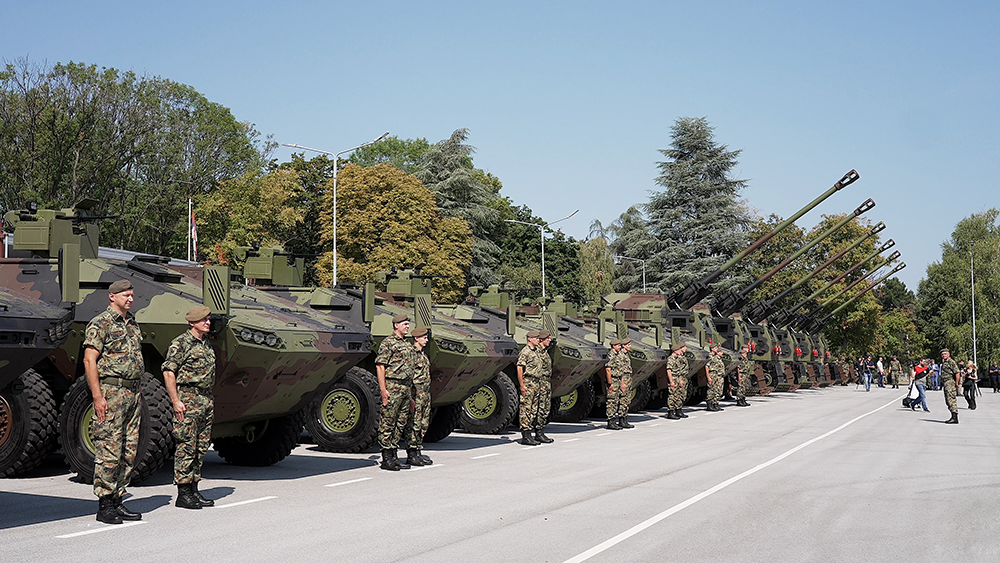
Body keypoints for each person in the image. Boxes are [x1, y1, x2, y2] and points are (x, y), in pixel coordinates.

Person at [83, 279, 144, 525]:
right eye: (126, 295)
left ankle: (118, 499)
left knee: (128, 450)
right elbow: (89, 361)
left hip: (132, 394)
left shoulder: (132, 323)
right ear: (112, 297)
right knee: (109, 449)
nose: (130, 299)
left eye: (132, 295)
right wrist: (98, 397)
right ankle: (105, 504)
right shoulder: (101, 323)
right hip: (111, 392)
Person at [162, 305, 216, 509]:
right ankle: (183, 493)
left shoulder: (205, 344)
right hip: (188, 398)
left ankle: (194, 488)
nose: (208, 322)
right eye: (203, 320)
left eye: (208, 319)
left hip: (205, 400)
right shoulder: (181, 343)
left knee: (201, 447)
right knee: (186, 445)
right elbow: (169, 372)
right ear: (192, 322)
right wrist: (176, 401)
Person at [376, 314, 415, 470]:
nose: (407, 326)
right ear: (396, 325)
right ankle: (386, 457)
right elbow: (380, 366)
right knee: (388, 422)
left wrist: (410, 395)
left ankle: (394, 455)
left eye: (408, 324)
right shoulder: (388, 343)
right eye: (404, 324)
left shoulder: (407, 344)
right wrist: (383, 389)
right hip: (393, 386)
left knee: (400, 423)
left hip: (405, 388)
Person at [398, 326, 433, 466]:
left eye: (426, 337)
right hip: (415, 394)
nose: (426, 340)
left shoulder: (423, 355)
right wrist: (410, 398)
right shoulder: (411, 355)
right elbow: (407, 376)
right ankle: (411, 454)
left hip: (425, 394)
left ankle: (418, 450)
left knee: (423, 424)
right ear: (416, 338)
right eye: (424, 338)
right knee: (414, 424)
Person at [517, 331, 545, 445]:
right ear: (530, 339)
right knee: (526, 409)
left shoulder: (536, 352)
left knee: (533, 410)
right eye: (536, 338)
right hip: (528, 383)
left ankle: (530, 434)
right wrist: (522, 385)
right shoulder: (525, 352)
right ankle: (525, 435)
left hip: (536, 383)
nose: (538, 340)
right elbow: (519, 368)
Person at [605, 339, 634, 430]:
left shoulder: (618, 354)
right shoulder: (612, 355)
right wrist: (610, 383)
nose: (619, 346)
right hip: (613, 380)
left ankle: (622, 420)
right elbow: (608, 370)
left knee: (618, 400)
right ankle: (611, 421)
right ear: (613, 346)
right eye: (618, 345)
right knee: (612, 401)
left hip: (618, 379)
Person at [534, 330, 555, 442]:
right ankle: (538, 432)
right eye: (548, 338)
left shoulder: (545, 352)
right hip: (539, 384)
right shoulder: (536, 352)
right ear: (542, 339)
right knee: (539, 408)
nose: (550, 340)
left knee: (545, 408)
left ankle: (540, 431)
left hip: (546, 383)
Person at [665, 342, 689, 420]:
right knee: (672, 395)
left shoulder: (677, 358)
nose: (680, 351)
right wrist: (671, 381)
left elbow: (679, 371)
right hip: (673, 378)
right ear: (675, 350)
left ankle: (678, 410)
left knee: (678, 394)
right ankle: (670, 412)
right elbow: (669, 370)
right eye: (678, 349)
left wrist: (680, 380)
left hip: (677, 378)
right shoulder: (671, 358)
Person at [941, 349, 960, 424]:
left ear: (948, 354)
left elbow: (957, 372)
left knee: (951, 399)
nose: (943, 355)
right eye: (942, 354)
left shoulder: (951, 362)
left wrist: (957, 383)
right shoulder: (945, 362)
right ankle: (953, 416)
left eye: (945, 354)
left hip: (950, 382)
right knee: (948, 400)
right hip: (946, 382)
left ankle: (954, 417)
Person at [705, 343, 725, 411]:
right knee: (711, 390)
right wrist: (708, 377)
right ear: (712, 349)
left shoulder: (715, 356)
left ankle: (714, 404)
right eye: (716, 348)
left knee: (716, 390)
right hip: (712, 374)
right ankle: (709, 405)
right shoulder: (710, 356)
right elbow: (707, 367)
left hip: (716, 375)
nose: (717, 349)